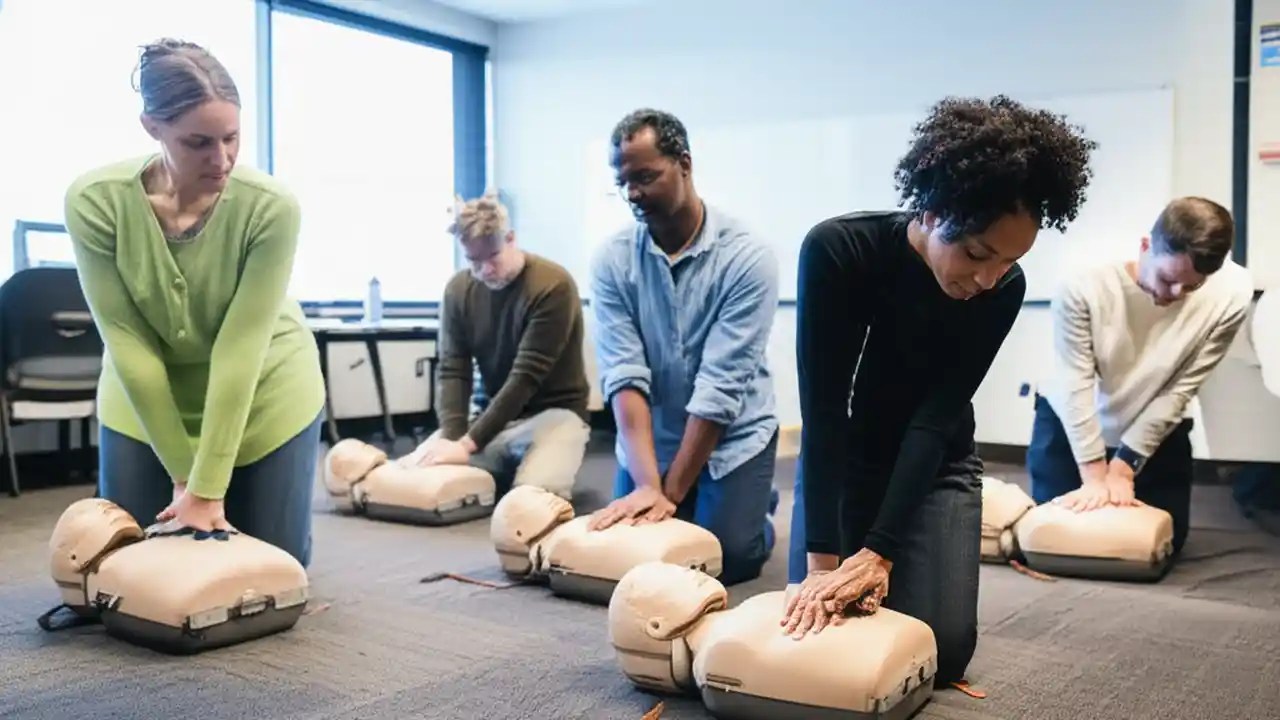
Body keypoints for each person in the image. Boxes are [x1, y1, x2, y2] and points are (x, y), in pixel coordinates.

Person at [781, 95, 1097, 687]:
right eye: (976, 253)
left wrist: (879, 551)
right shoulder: (838, 251)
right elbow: (824, 414)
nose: (987, 279)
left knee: (945, 649)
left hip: (938, 463)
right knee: (817, 624)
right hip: (846, 455)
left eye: (1008, 262)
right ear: (929, 212)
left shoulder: (1001, 288)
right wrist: (822, 565)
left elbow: (935, 419)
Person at [64, 39, 325, 566]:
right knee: (121, 563)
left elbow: (242, 346)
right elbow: (128, 341)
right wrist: (186, 477)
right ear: (152, 127)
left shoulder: (272, 208)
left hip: (263, 389)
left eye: (232, 138)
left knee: (269, 568)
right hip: (145, 398)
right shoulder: (94, 201)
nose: (222, 159)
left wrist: (207, 488)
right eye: (198, 142)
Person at [586, 108, 781, 586]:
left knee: (723, 560)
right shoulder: (612, 261)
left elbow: (719, 390)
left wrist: (668, 500)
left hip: (734, 436)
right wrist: (649, 486)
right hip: (654, 435)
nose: (633, 193)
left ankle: (757, 513)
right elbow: (624, 377)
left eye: (646, 177)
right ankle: (704, 498)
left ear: (685, 164)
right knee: (628, 554)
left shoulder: (747, 258)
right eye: (623, 181)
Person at [1029, 197, 1253, 556]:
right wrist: (1094, 475)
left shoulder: (1233, 291)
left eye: (1192, 286)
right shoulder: (1084, 283)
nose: (1176, 295)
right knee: (1058, 541)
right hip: (1071, 423)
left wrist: (1124, 468)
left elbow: (1180, 389)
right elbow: (1077, 384)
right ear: (1146, 246)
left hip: (1153, 429)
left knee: (1163, 544)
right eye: (1168, 279)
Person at [402, 193, 592, 500]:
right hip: (492, 418)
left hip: (554, 416)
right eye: (473, 261)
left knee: (531, 503)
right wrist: (452, 440)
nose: (485, 270)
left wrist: (466, 446)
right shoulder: (459, 290)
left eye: (492, 256)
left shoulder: (552, 285)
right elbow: (453, 370)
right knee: (418, 481)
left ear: (511, 239)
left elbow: (525, 378)